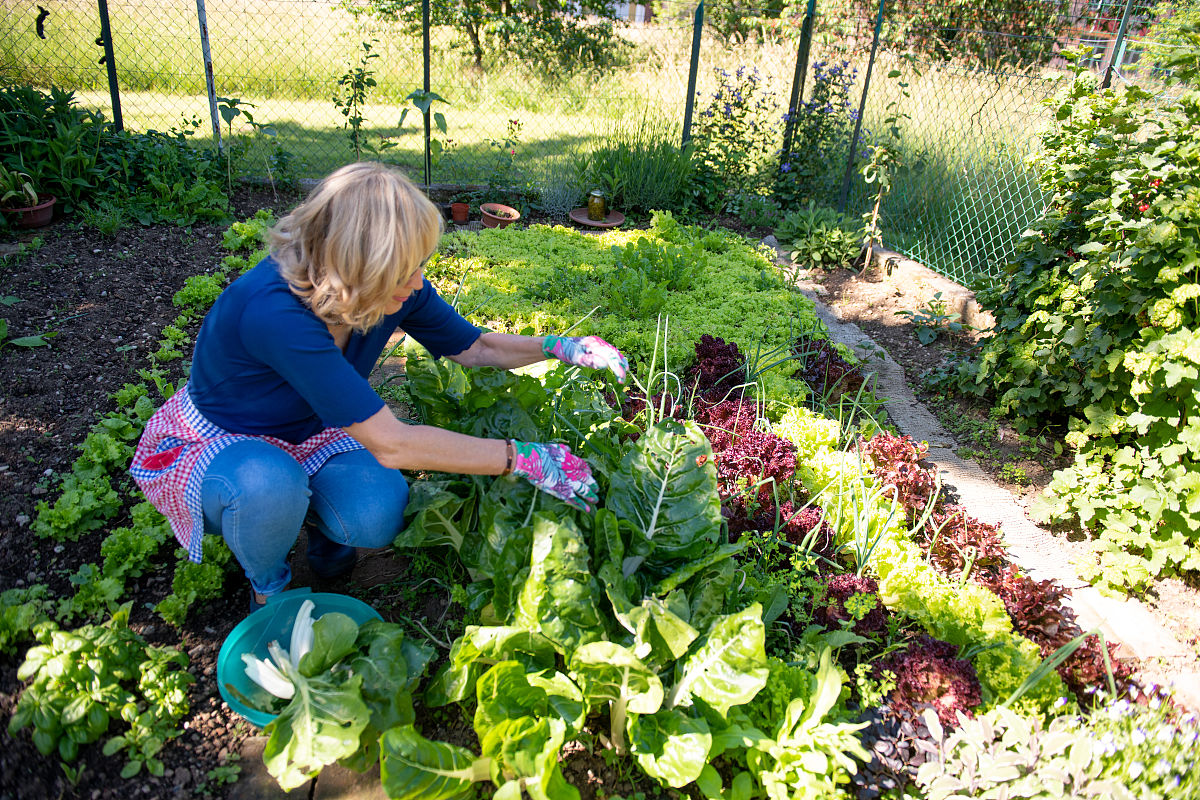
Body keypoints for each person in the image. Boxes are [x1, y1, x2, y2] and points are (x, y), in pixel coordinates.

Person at [130, 162, 627, 610]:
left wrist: (560, 346)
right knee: (269, 487)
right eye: (402, 270)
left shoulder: (394, 288)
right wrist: (523, 458)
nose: (416, 283)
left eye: (418, 265)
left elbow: (474, 348)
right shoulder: (275, 312)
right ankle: (269, 583)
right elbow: (392, 444)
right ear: (354, 268)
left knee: (379, 510)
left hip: (315, 431)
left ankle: (321, 534)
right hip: (229, 443)